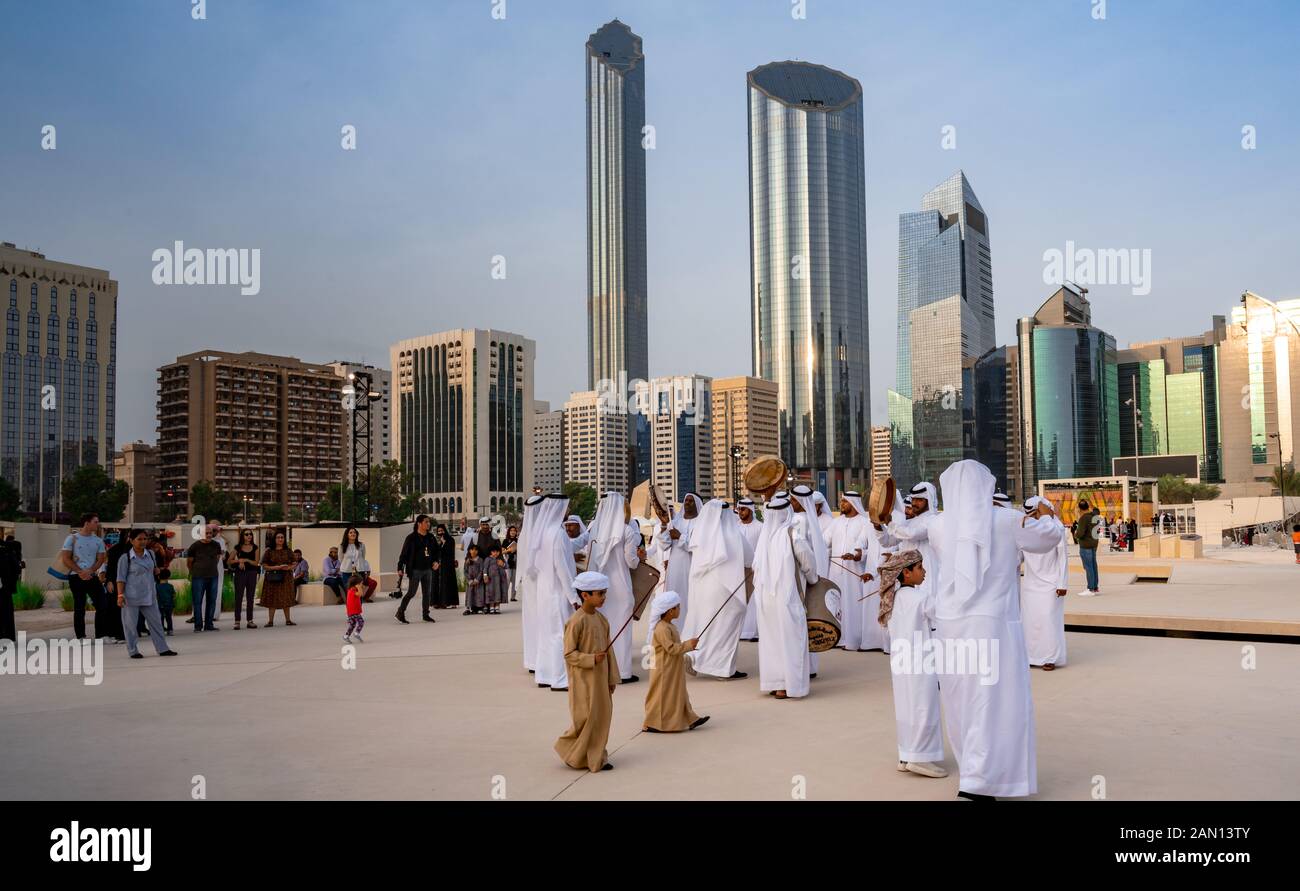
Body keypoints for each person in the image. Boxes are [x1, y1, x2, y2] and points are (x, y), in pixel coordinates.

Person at [928, 459, 1063, 800]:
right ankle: (979, 781)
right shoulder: (1007, 520)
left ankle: (972, 770)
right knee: (992, 703)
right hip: (993, 626)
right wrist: (1046, 512)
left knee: (960, 701)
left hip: (949, 624)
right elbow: (1049, 538)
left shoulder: (938, 525)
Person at [877, 549, 945, 778]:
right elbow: (944, 617)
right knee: (924, 707)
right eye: (919, 568)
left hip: (900, 662)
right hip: (920, 661)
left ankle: (906, 754)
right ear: (906, 573)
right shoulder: (921, 598)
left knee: (906, 707)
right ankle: (920, 758)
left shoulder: (893, 599)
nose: (924, 572)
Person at [553, 571, 619, 773]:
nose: (603, 598)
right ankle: (572, 752)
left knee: (602, 718)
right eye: (600, 594)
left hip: (600, 680)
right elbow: (569, 653)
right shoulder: (576, 621)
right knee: (585, 720)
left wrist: (612, 678)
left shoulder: (602, 620)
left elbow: (610, 652)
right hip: (583, 681)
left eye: (604, 593)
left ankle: (596, 756)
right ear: (585, 595)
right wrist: (591, 659)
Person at [754, 496, 817, 700]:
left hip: (765, 599)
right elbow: (807, 561)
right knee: (791, 640)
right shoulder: (793, 533)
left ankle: (775, 683)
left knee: (772, 641)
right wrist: (812, 579)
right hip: (787, 597)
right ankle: (790, 686)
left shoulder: (764, 537)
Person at [681, 498, 751, 680]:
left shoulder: (700, 535)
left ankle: (697, 656)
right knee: (725, 629)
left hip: (703, 590)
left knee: (708, 626)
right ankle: (720, 668)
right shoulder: (734, 534)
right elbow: (750, 558)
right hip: (727, 591)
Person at [586, 492, 642, 684]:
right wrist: (640, 558)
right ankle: (623, 672)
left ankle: (603, 669)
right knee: (622, 631)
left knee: (603, 630)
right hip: (620, 587)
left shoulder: (594, 530)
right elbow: (631, 562)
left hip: (600, 589)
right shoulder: (625, 530)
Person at [642, 590, 708, 733]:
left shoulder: (669, 626)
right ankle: (652, 723)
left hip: (672, 666)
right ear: (669, 611)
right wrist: (689, 645)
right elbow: (671, 648)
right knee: (661, 695)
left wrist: (687, 644)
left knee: (679, 693)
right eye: (677, 607)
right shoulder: (662, 628)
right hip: (664, 669)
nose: (679, 609)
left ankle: (691, 718)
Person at [532, 494, 578, 691]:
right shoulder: (558, 534)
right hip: (557, 592)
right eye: (566, 507)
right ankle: (560, 680)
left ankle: (544, 675)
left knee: (546, 634)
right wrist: (574, 597)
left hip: (544, 591)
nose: (567, 511)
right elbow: (562, 569)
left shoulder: (542, 531)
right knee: (561, 635)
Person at [1021, 496, 1069, 670]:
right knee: (1030, 621)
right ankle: (1031, 656)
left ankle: (1049, 658)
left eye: (1035, 513)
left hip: (1051, 583)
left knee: (1049, 620)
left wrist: (1062, 583)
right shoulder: (1025, 527)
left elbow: (1063, 556)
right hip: (1030, 583)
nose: (1031, 516)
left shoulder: (1056, 528)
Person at [115, 529, 178, 660]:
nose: (143, 541)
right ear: (131, 541)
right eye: (139, 539)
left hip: (149, 594)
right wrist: (120, 595)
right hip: (131, 596)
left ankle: (163, 648)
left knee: (156, 624)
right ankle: (133, 650)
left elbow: (154, 569)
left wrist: (156, 570)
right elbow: (120, 578)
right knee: (130, 625)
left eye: (145, 539)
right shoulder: (125, 558)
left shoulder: (150, 554)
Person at [788, 484, 829, 678]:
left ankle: (804, 667)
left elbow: (802, 553)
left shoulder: (798, 521)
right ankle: (810, 666)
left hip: (800, 578)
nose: (791, 503)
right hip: (809, 577)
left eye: (794, 500)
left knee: (801, 622)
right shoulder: (808, 520)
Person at [60, 513, 115, 642]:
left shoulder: (98, 540)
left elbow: (101, 558)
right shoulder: (72, 538)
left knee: (102, 604)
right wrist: (80, 571)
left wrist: (91, 571)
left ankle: (101, 635)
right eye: (95, 522)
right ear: (87, 522)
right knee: (79, 607)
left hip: (92, 576)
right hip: (75, 576)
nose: (98, 524)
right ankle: (80, 636)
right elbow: (65, 557)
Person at [828, 492, 869, 652]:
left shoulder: (864, 522)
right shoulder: (836, 522)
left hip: (854, 573)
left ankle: (853, 639)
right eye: (841, 501)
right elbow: (825, 541)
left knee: (852, 605)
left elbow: (865, 546)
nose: (842, 504)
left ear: (853, 503)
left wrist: (856, 554)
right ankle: (837, 638)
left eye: (845, 501)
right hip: (836, 571)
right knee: (835, 603)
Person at [654, 493, 700, 628]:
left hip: (692, 567)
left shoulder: (701, 524)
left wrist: (680, 536)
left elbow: (697, 546)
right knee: (674, 599)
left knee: (690, 599)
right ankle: (674, 630)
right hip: (674, 568)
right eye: (686, 500)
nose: (687, 503)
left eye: (691, 501)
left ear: (697, 505)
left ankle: (690, 630)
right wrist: (664, 524)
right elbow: (664, 545)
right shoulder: (675, 522)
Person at [516, 496, 545, 672]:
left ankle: (533, 660)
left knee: (532, 621)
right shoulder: (539, 534)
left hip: (530, 584)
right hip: (539, 583)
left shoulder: (524, 535)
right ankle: (539, 661)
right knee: (541, 621)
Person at [396, 514, 439, 624]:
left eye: (429, 522)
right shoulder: (411, 538)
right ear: (419, 523)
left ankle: (426, 614)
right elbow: (404, 553)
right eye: (426, 522)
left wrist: (436, 561)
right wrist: (400, 567)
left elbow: (436, 552)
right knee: (411, 592)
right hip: (415, 569)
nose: (428, 524)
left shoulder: (431, 537)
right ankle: (400, 612)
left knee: (427, 593)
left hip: (427, 569)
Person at [185, 524, 224, 633]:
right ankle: (198, 626)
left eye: (210, 533)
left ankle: (209, 624)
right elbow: (189, 562)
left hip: (213, 576)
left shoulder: (216, 545)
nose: (209, 535)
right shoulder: (194, 546)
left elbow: (217, 559)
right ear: (201, 534)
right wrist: (194, 572)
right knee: (197, 601)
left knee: (212, 600)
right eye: (206, 533)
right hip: (198, 577)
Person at [735, 499, 763, 642]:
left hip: (754, 569)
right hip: (737, 570)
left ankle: (753, 632)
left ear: (751, 510)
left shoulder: (760, 527)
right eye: (739, 509)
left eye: (743, 510)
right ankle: (739, 631)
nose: (740, 512)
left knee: (753, 601)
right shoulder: (735, 527)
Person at [259, 530, 298, 626]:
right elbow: (264, 565)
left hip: (286, 578)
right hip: (272, 578)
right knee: (272, 599)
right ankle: (270, 621)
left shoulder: (288, 551)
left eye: (282, 537)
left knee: (286, 598)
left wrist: (288, 567)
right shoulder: (269, 551)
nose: (280, 539)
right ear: (274, 539)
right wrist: (276, 567)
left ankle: (288, 620)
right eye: (278, 537)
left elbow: (295, 563)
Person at [229, 529, 260, 628]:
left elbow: (256, 563)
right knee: (238, 597)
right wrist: (239, 561)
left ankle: (250, 620)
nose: (249, 536)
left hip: (252, 573)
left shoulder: (255, 548)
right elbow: (229, 561)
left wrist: (245, 560)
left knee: (250, 597)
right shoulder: (237, 548)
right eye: (246, 534)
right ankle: (237, 621)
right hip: (240, 574)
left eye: (250, 534)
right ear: (243, 536)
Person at [339, 527, 377, 601]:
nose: (353, 534)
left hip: (359, 571)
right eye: (351, 532)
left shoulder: (361, 545)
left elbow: (363, 557)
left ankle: (358, 611)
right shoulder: (342, 546)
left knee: (359, 592)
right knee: (349, 592)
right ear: (347, 535)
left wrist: (362, 568)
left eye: (354, 532)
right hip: (347, 572)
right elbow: (341, 559)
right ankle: (350, 611)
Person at [1073, 499, 1101, 595]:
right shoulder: (1094, 516)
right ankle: (1095, 587)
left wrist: (1075, 534)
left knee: (1088, 567)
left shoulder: (1083, 518)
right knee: (1093, 566)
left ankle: (1090, 589)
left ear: (1079, 508)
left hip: (1085, 545)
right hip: (1093, 544)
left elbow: (1080, 534)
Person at [0, 536, 20, 643]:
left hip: (5, 585)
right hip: (5, 585)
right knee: (6, 610)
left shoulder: (6, 548)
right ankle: (8, 636)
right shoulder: (8, 548)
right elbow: (16, 568)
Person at [484, 543, 509, 614]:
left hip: (500, 580)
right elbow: (485, 568)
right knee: (491, 592)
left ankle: (497, 607)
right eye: (493, 551)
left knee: (498, 592)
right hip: (491, 580)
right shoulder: (488, 559)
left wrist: (503, 564)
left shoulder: (501, 559)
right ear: (490, 552)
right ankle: (491, 607)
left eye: (497, 552)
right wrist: (485, 576)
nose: (495, 553)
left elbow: (506, 566)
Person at [342, 573, 366, 643]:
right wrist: (359, 587)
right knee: (361, 622)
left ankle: (346, 636)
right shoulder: (352, 590)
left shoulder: (352, 589)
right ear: (356, 584)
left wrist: (359, 587)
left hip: (352, 612)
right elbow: (361, 594)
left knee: (352, 625)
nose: (362, 585)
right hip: (354, 611)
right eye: (361, 583)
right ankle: (357, 633)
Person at [463, 545, 484, 615]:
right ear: (469, 551)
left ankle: (479, 608)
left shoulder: (480, 560)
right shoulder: (467, 560)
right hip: (470, 582)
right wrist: (470, 580)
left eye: (476, 550)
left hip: (478, 581)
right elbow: (465, 571)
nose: (474, 551)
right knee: (470, 594)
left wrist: (477, 579)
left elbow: (481, 570)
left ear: (478, 551)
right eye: (472, 550)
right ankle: (468, 608)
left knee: (478, 594)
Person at [156, 570, 177, 636]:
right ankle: (170, 630)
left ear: (159, 577)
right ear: (168, 577)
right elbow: (173, 596)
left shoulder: (157, 586)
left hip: (160, 605)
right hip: (169, 605)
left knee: (161, 618)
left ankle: (161, 630)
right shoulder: (170, 586)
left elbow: (156, 596)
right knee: (169, 618)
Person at [502, 525, 520, 601]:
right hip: (508, 561)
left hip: (516, 561)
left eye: (514, 531)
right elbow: (502, 551)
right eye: (511, 530)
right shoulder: (505, 541)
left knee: (515, 580)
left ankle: (513, 597)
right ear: (509, 532)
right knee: (507, 579)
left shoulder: (518, 540)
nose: (513, 532)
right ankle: (504, 596)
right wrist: (509, 550)